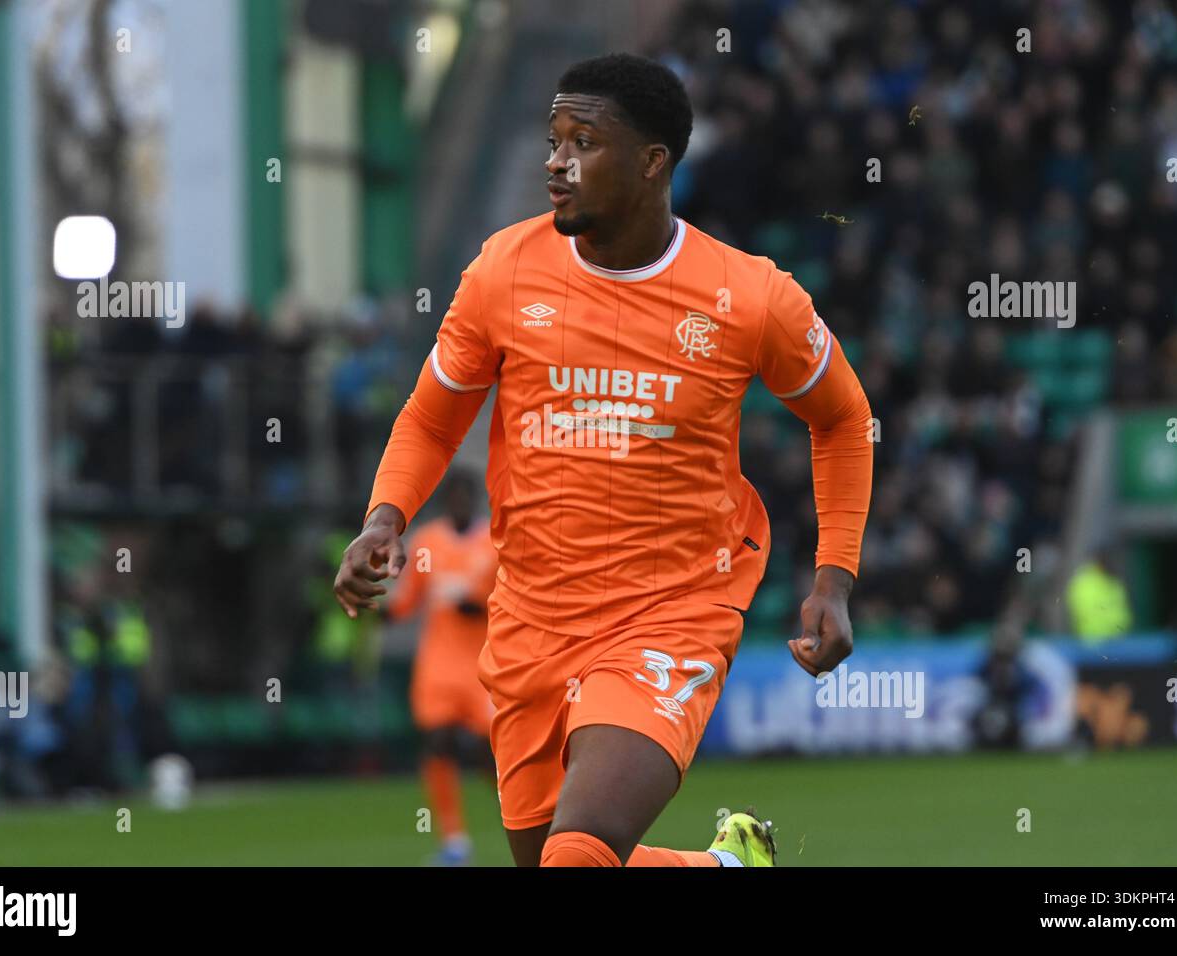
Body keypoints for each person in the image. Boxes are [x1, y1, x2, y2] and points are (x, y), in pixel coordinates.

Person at [334, 54, 873, 867]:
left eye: (583, 142)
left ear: (653, 162)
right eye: (554, 140)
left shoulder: (751, 297)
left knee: (579, 852)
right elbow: (432, 418)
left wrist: (834, 578)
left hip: (671, 613)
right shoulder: (502, 273)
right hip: (531, 623)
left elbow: (844, 418)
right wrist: (385, 518)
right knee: (557, 860)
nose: (557, 162)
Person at [380, 469, 497, 866]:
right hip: (439, 664)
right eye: (455, 497)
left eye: (467, 496)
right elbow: (408, 599)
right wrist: (383, 612)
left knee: (489, 750)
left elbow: (512, 596)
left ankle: (524, 814)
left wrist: (479, 605)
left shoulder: (495, 541)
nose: (460, 503)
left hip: (484, 664)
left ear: (476, 500)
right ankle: (453, 840)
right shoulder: (428, 542)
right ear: (447, 501)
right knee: (438, 741)